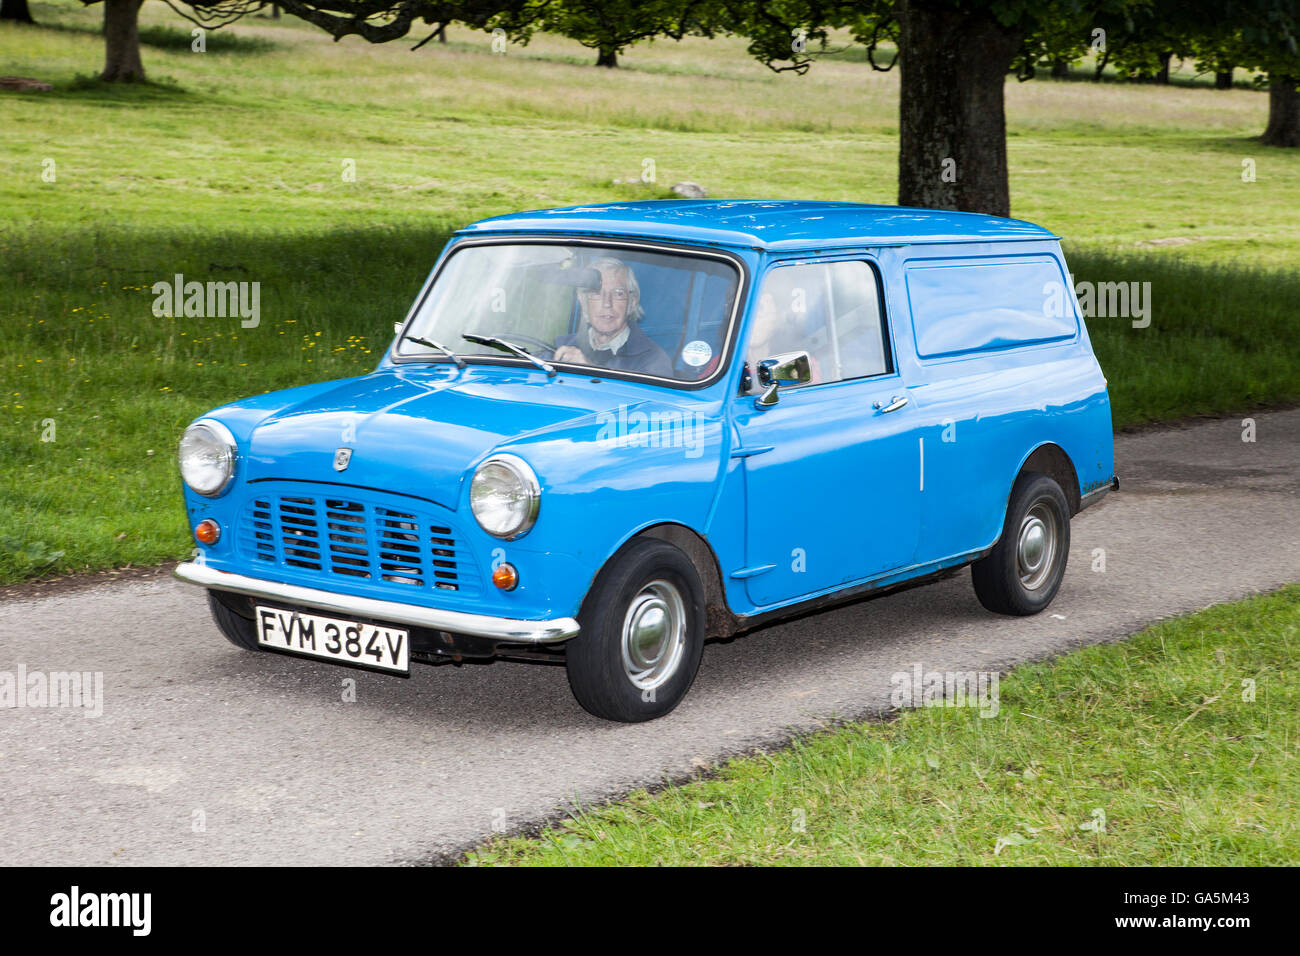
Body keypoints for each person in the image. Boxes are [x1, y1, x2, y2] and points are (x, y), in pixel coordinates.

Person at [552, 257, 674, 378]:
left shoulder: (653, 360)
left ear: (632, 302)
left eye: (618, 293)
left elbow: (641, 396)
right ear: (582, 300)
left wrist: (589, 370)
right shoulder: (560, 347)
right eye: (596, 293)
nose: (607, 303)